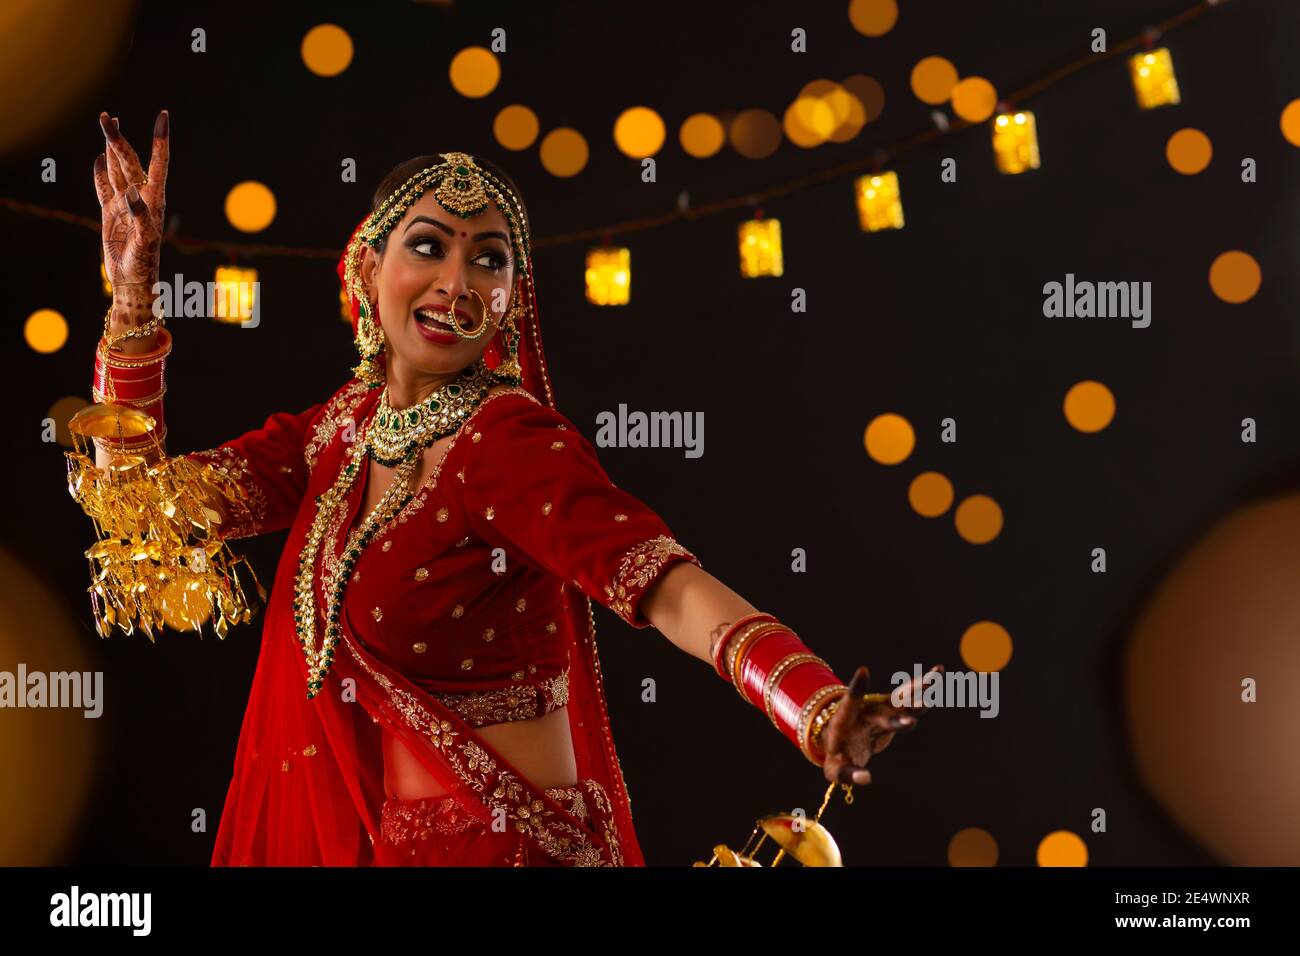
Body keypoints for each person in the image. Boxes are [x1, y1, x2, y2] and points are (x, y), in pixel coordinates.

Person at [85, 109, 940, 866]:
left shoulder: (508, 443)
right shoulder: (337, 433)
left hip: (507, 849)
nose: (457, 285)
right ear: (366, 266)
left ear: (510, 298)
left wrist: (812, 705)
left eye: (488, 261)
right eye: (428, 247)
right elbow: (144, 508)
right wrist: (129, 306)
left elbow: (668, 588)